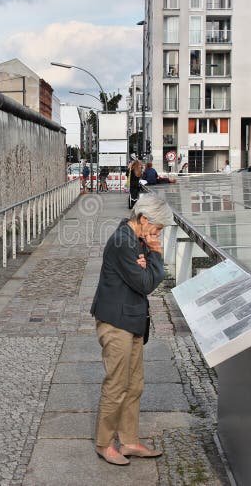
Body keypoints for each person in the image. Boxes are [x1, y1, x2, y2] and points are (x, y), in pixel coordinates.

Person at [91, 193, 173, 465]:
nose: (158, 235)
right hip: (117, 322)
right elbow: (146, 283)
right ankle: (104, 443)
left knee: (134, 384)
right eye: (158, 229)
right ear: (144, 219)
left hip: (132, 320)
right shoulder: (124, 243)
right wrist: (155, 255)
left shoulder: (136, 239)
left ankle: (128, 441)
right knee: (117, 385)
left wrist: (147, 258)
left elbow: (145, 276)